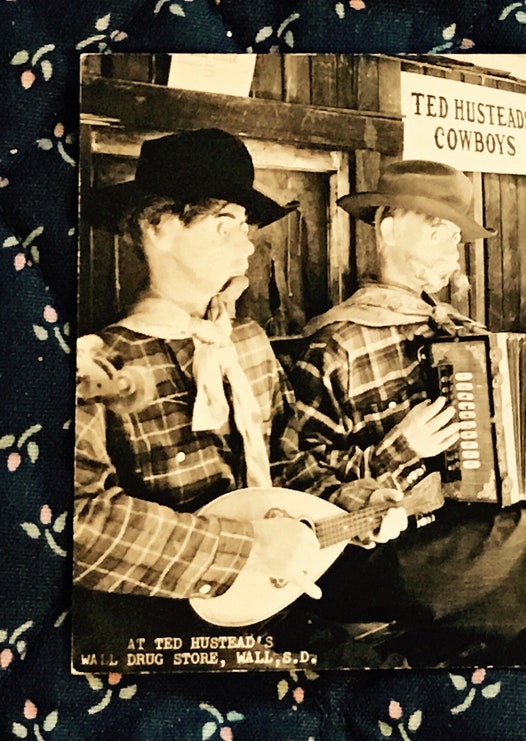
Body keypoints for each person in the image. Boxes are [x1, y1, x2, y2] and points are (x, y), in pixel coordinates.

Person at [283, 159, 526, 667]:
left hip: (463, 532)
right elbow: (299, 485)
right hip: (374, 554)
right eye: (436, 230)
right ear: (386, 230)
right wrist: (399, 448)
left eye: (455, 234)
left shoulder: (460, 332)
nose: (452, 247)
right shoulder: (333, 344)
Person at [73, 128, 407, 669]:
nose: (248, 243)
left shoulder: (246, 343)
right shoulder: (96, 363)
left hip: (275, 601)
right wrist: (242, 548)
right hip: (154, 629)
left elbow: (285, 467)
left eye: (245, 226)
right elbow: (79, 522)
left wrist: (349, 502)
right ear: (156, 228)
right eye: (224, 223)